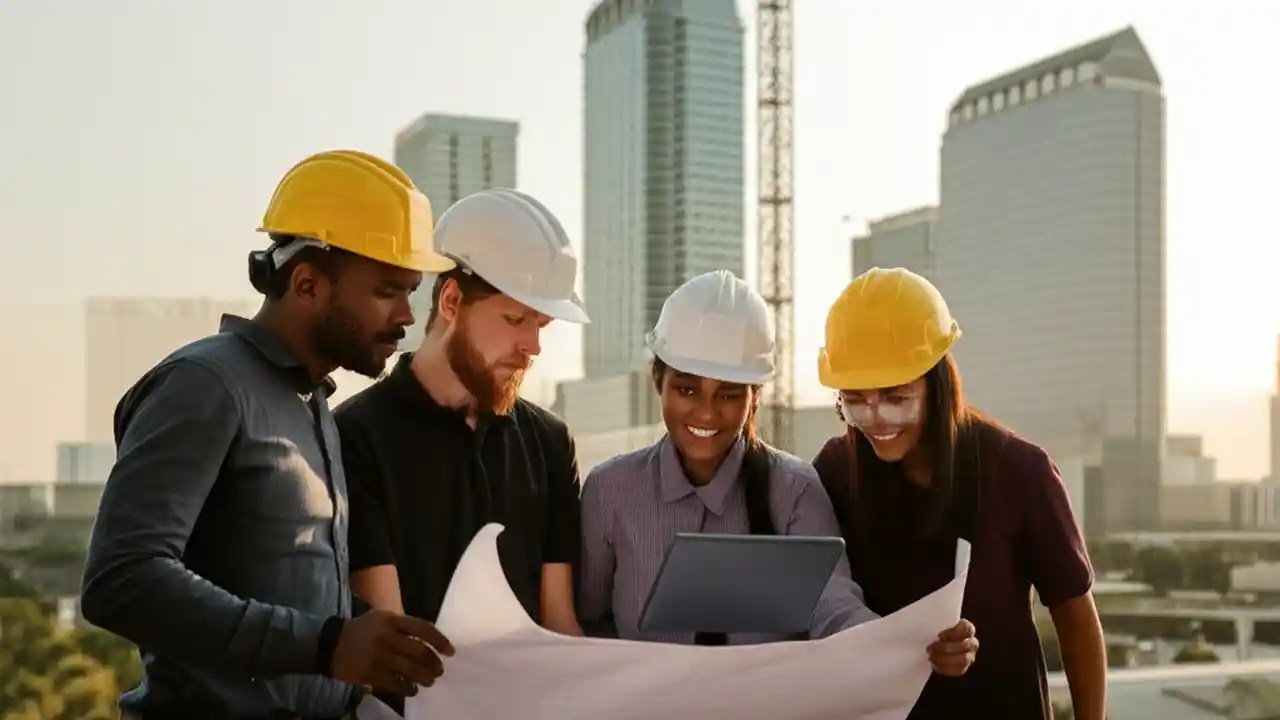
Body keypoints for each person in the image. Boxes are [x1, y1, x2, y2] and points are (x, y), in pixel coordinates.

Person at [80, 150, 457, 720]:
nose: (407, 315)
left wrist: (366, 635)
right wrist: (327, 644)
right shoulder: (206, 385)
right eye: (387, 291)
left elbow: (277, 583)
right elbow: (123, 580)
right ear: (306, 284)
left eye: (411, 291)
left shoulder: (313, 404)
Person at [578, 270, 978, 673]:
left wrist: (905, 644)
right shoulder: (610, 491)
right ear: (658, 383)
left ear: (755, 399)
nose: (705, 411)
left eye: (729, 395)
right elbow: (587, 622)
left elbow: (831, 606)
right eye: (686, 390)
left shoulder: (795, 490)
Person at [811, 266, 1107, 719]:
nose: (875, 419)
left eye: (895, 397)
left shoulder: (1018, 471)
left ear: (938, 384)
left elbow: (1075, 615)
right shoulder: (835, 471)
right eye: (855, 400)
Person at [335, 188, 588, 681]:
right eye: (515, 319)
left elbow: (559, 625)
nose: (532, 346)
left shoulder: (550, 442)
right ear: (451, 301)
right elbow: (392, 642)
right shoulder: (355, 436)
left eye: (542, 324)